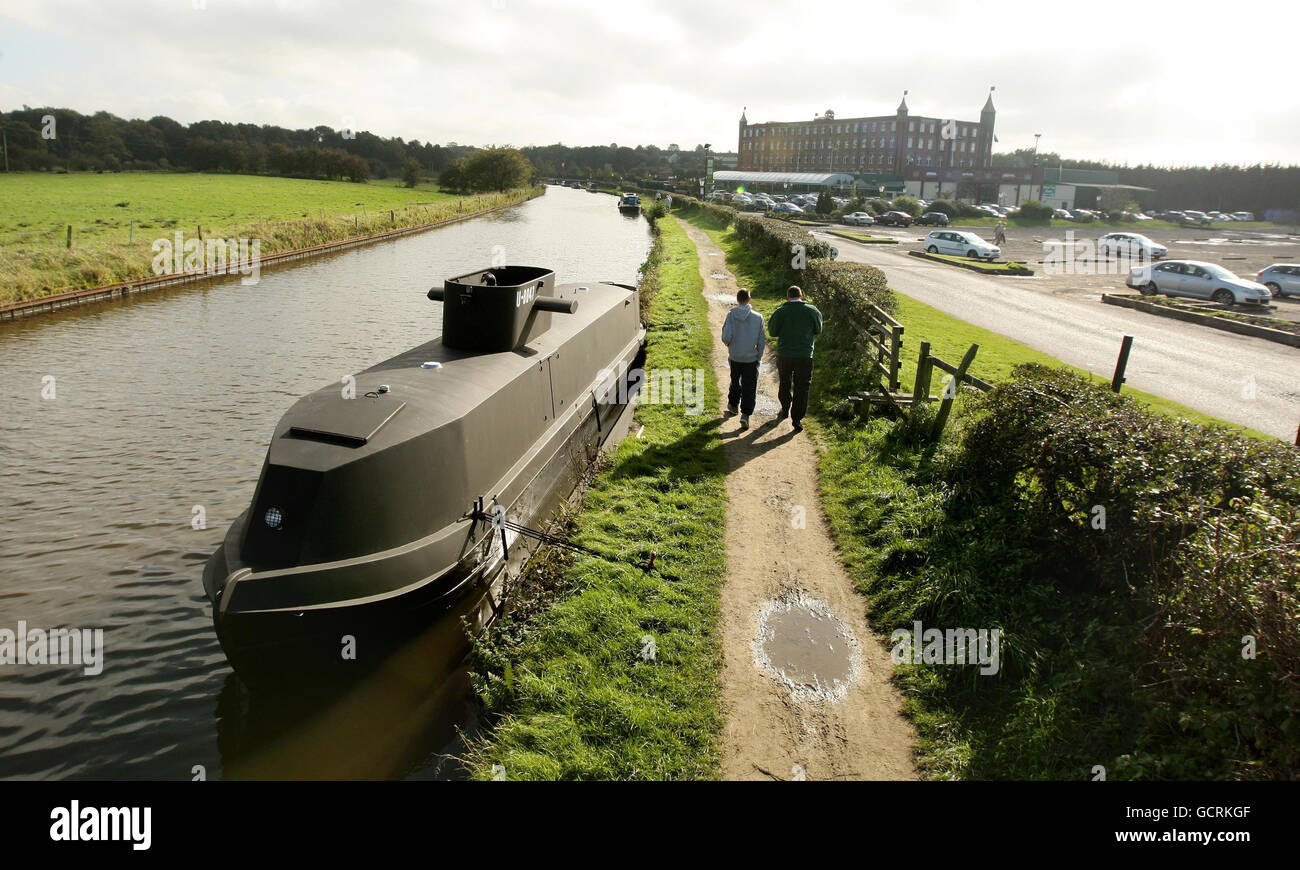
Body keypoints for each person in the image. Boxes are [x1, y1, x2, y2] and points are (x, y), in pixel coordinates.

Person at [766, 285, 822, 432]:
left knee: (784, 382)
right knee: (802, 387)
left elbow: (772, 332)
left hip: (785, 354)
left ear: (787, 297)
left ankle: (785, 408)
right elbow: (818, 329)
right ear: (801, 296)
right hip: (804, 355)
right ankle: (797, 418)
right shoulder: (812, 311)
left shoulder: (781, 312)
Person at [720, 288, 765, 430]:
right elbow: (762, 340)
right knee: (749, 387)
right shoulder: (758, 318)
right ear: (749, 299)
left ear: (737, 299)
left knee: (735, 381)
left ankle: (733, 405)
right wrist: (758, 356)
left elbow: (726, 337)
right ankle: (745, 415)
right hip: (751, 358)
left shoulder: (731, 315)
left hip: (735, 356)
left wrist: (729, 345)